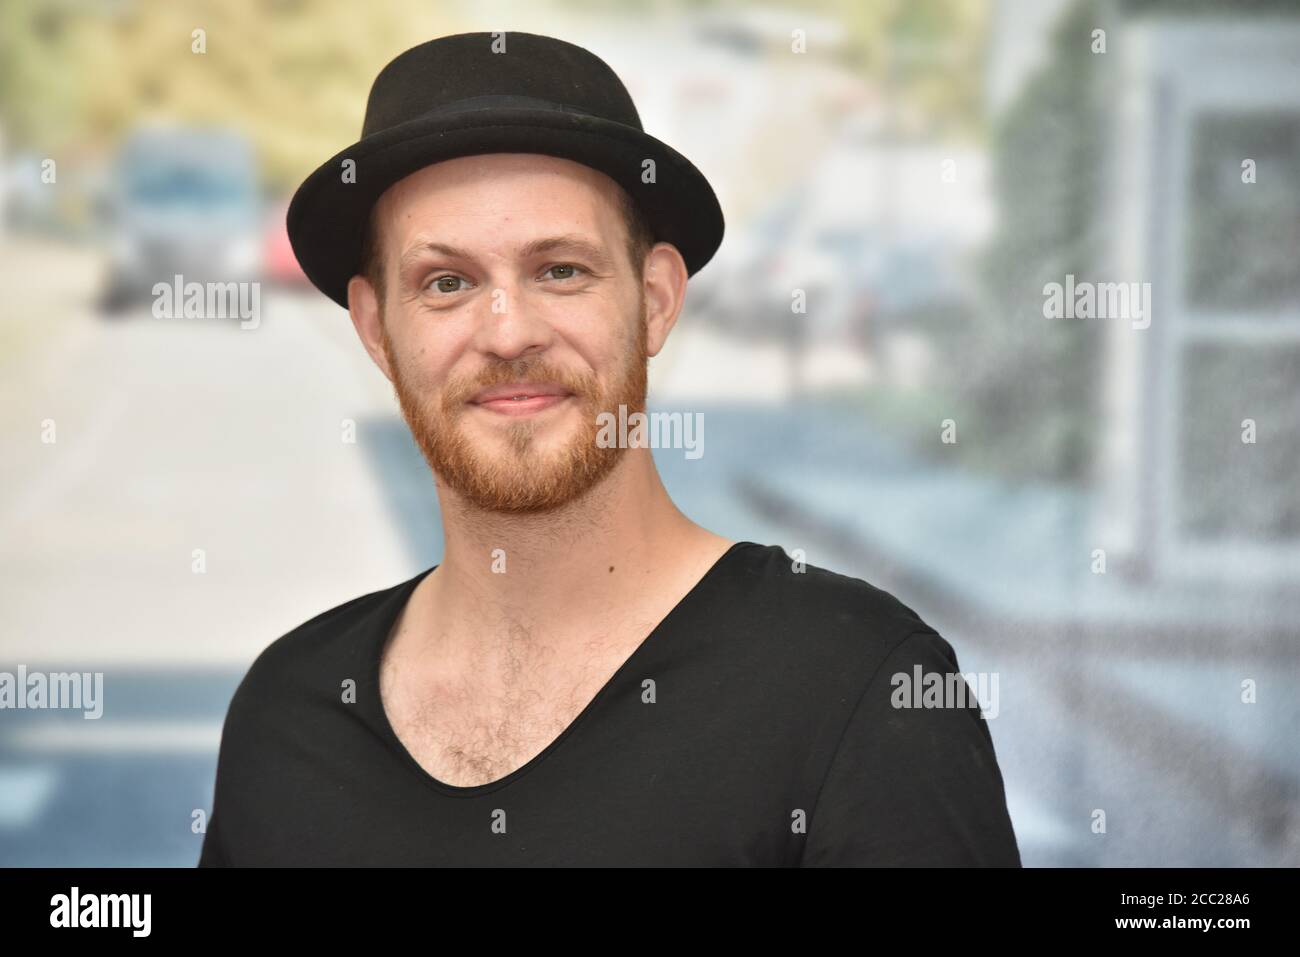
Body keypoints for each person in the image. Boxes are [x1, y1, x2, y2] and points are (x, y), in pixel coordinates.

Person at [198, 30, 1020, 867]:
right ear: (377, 328)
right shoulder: (288, 713)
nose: (509, 330)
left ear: (657, 300)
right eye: (447, 282)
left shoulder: (860, 691)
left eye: (560, 270)